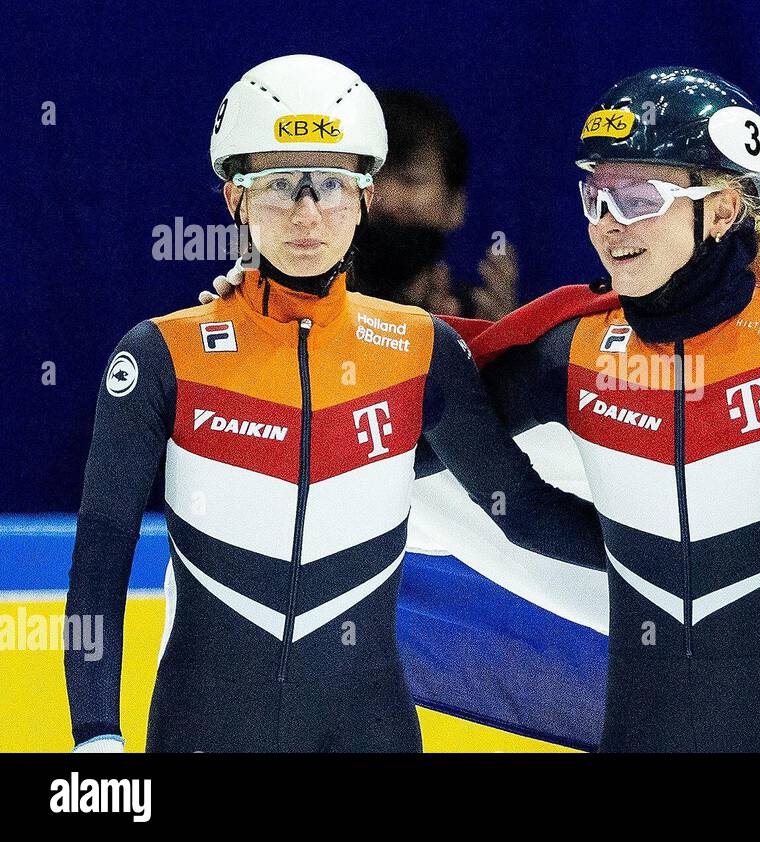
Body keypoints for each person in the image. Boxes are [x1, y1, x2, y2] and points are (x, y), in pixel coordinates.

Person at [64, 54, 604, 753]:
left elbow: (524, 514)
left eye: (331, 184)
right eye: (279, 185)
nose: (306, 213)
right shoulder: (160, 355)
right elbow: (100, 562)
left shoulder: (422, 351)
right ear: (235, 197)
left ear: (365, 197)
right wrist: (94, 735)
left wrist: (683, 559)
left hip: (369, 729)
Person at [461, 67, 760, 751]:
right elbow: (479, 483)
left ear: (725, 210)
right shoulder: (568, 351)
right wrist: (268, 318)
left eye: (638, 197)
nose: (610, 224)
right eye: (596, 197)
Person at [350, 89, 518, 319]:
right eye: (370, 177)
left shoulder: (477, 318)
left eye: (410, 179)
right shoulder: (307, 313)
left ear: (455, 205)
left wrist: (498, 346)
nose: (386, 200)